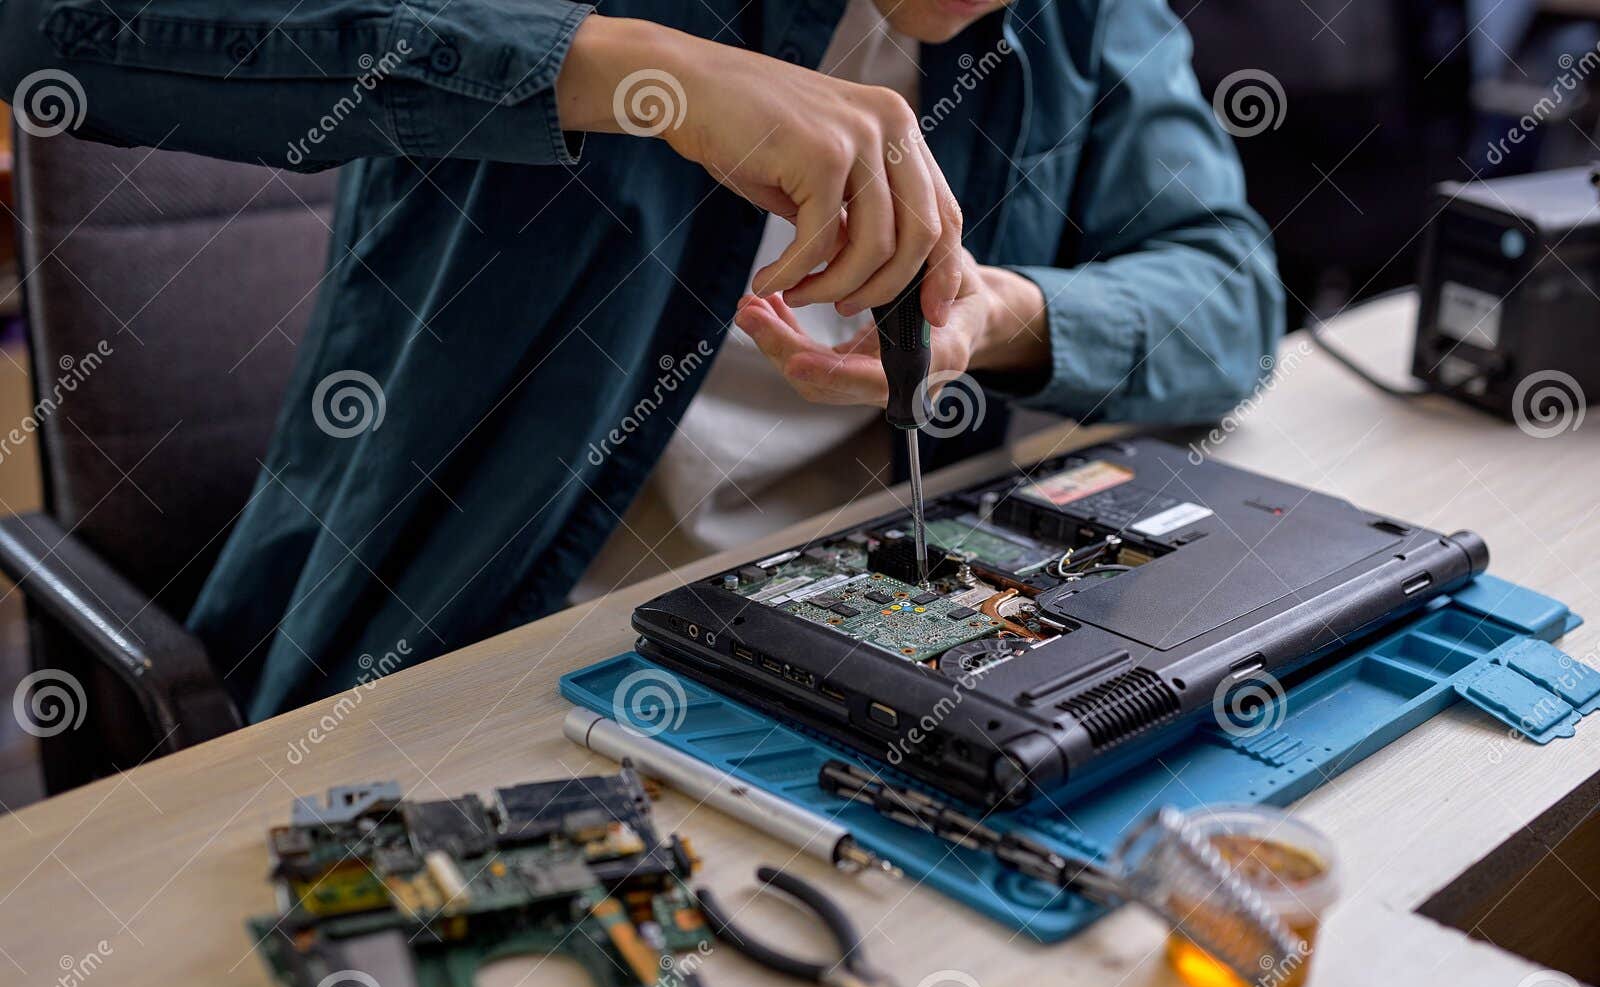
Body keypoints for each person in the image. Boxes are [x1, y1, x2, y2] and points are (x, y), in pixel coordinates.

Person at [0, 0, 1282, 720]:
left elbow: (1230, 293)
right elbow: (53, 31)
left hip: (877, 643)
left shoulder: (1087, 22)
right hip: (488, 650)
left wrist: (1002, 320)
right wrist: (624, 66)